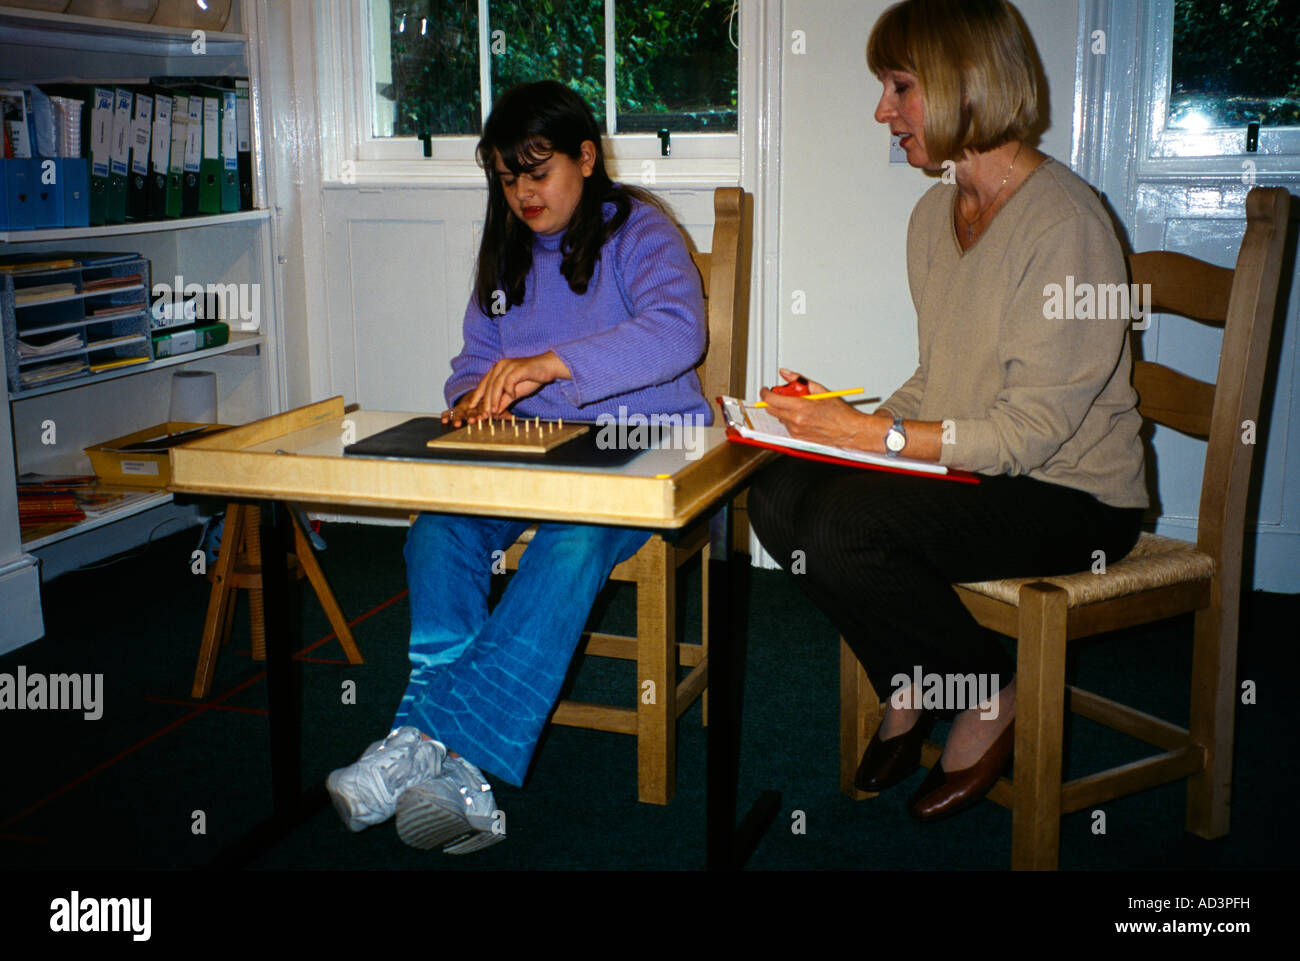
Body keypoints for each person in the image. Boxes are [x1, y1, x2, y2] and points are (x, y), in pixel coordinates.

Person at [748, 0, 1148, 822]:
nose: (881, 111)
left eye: (900, 86)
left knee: (845, 527)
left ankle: (993, 687)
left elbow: (1035, 431)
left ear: (970, 83)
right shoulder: (934, 214)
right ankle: (915, 677)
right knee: (779, 495)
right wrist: (828, 422)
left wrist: (876, 437)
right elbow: (938, 379)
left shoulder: (1068, 224)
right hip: (981, 470)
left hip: (1072, 494)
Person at [327, 80, 710, 852]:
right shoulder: (505, 248)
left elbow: (679, 334)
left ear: (587, 157)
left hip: (645, 443)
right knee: (438, 529)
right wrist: (475, 394)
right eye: (507, 176)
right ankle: (448, 764)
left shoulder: (639, 230)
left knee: (572, 542)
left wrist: (550, 365)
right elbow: (472, 361)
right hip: (532, 449)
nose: (523, 192)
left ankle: (431, 739)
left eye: (539, 171)